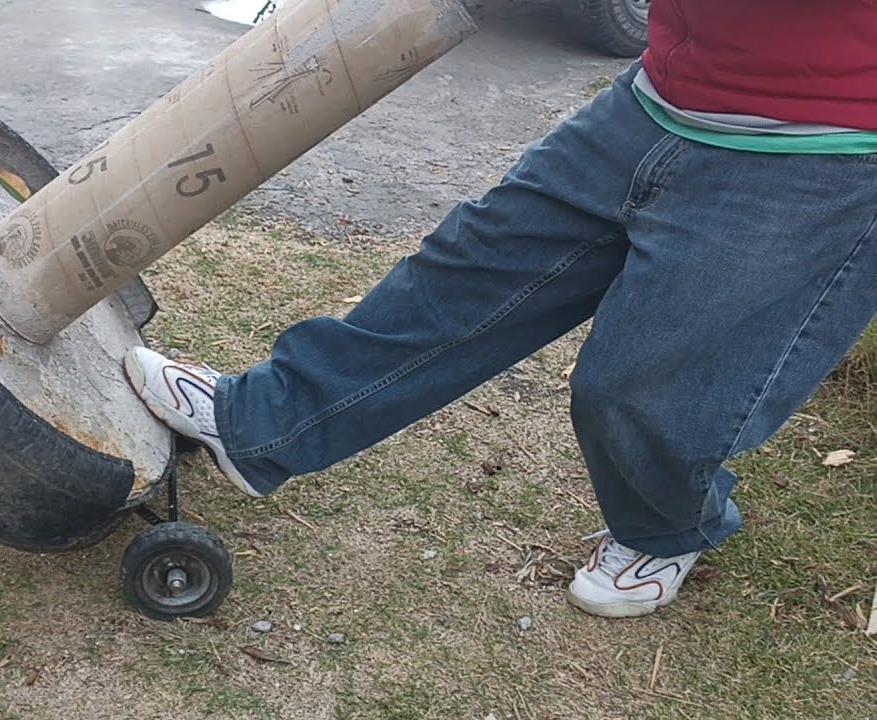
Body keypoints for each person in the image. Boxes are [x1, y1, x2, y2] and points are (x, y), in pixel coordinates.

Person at [123, 1, 877, 618]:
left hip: (822, 146)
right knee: (467, 268)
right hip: (663, 97)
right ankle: (262, 423)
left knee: (639, 387)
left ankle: (670, 527)